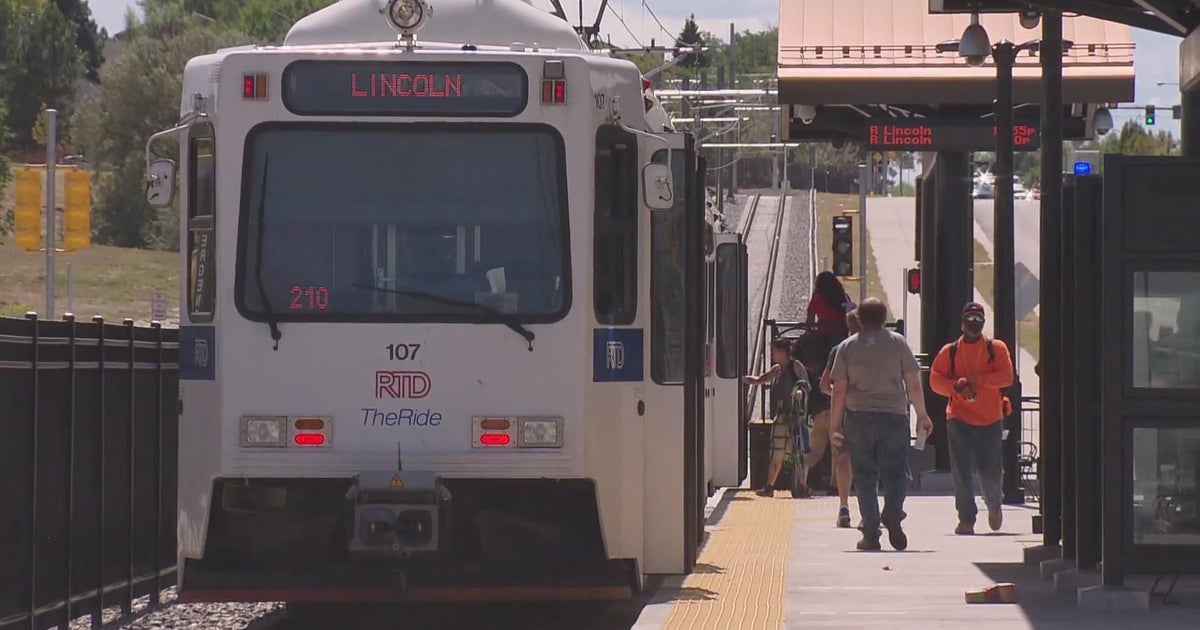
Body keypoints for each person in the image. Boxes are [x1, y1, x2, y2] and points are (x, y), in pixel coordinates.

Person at [829, 298, 933, 551]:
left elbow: (839, 390)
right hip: (894, 417)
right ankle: (893, 513)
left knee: (865, 477)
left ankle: (871, 533)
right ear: (884, 317)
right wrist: (922, 414)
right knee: (897, 473)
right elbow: (913, 381)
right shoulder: (898, 343)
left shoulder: (847, 347)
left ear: (859, 320)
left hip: (858, 418)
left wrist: (835, 426)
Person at [929, 302, 1014, 535]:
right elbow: (935, 380)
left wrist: (977, 381)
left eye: (978, 319)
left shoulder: (996, 348)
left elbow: (1007, 377)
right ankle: (966, 519)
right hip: (959, 419)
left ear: (984, 322)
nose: (974, 324)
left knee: (991, 470)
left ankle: (994, 505)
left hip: (990, 419)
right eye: (970, 319)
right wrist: (956, 386)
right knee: (961, 472)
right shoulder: (950, 351)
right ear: (962, 323)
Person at [744, 338, 810, 498]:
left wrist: (800, 392)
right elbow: (762, 379)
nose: (772, 354)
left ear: (782, 352)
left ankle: (801, 485)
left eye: (774, 351)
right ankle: (769, 486)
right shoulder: (777, 369)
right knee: (777, 452)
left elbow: (806, 384)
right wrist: (744, 379)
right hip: (781, 416)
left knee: (799, 453)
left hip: (797, 416)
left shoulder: (796, 366)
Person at [817, 309, 860, 528]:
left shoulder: (839, 350)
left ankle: (844, 506)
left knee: (844, 457)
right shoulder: (881, 348)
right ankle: (869, 509)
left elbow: (824, 385)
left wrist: (839, 395)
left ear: (848, 326)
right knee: (870, 462)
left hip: (845, 412)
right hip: (875, 411)